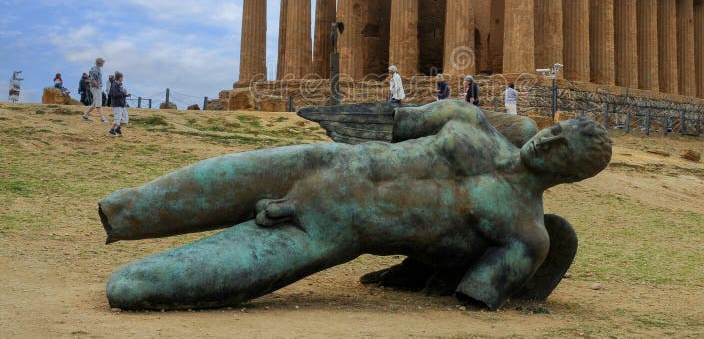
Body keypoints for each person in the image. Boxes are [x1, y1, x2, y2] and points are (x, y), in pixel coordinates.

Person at [99, 101, 612, 311]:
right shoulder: (468, 120)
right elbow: (387, 122)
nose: (548, 141)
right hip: (315, 164)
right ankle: (118, 218)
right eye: (556, 130)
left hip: (326, 233)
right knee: (129, 207)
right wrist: (328, 114)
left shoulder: (526, 234)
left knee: (130, 288)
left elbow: (475, 294)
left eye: (562, 149)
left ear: (570, 174)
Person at [82, 57, 108, 123]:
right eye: (103, 62)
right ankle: (102, 118)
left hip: (96, 87)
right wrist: (97, 86)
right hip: (96, 88)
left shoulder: (97, 68)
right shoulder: (95, 69)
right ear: (100, 63)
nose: (103, 63)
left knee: (94, 104)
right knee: (98, 104)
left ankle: (85, 115)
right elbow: (92, 79)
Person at [108, 71, 129, 137]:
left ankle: (118, 129)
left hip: (122, 104)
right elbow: (115, 94)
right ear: (119, 78)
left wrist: (125, 95)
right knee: (117, 119)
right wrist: (123, 92)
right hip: (117, 105)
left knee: (125, 119)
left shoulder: (119, 85)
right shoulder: (114, 85)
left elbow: (120, 94)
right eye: (122, 77)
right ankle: (111, 131)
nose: (122, 78)